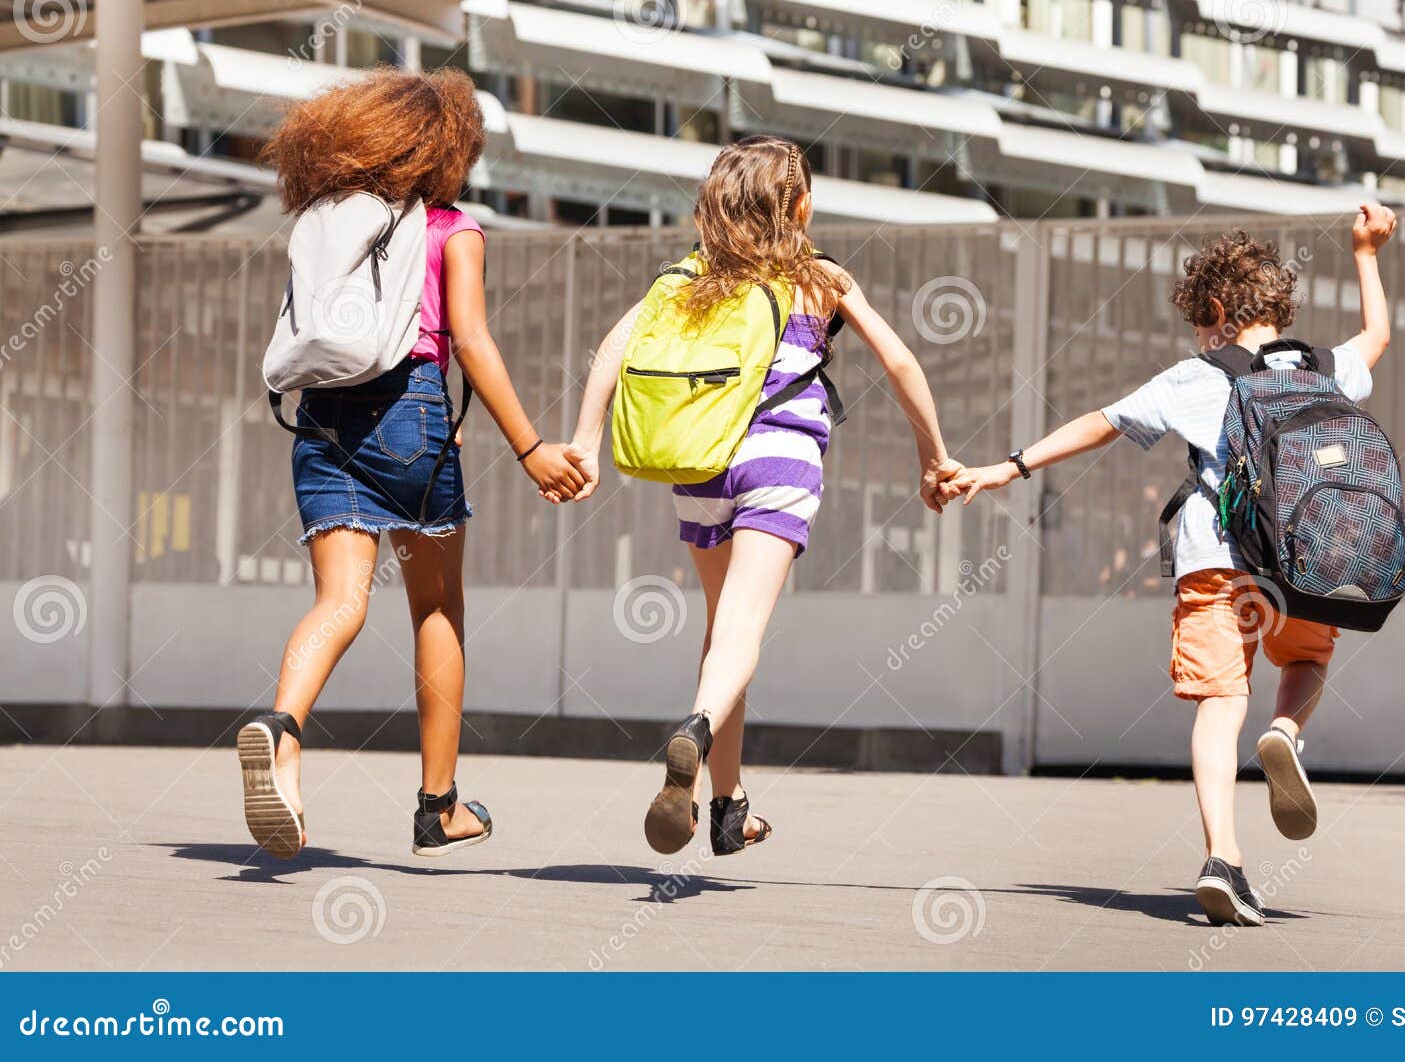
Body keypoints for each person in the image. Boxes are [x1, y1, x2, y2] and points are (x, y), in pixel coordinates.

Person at [949, 204, 1398, 925]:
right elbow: (1376, 335)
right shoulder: (1322, 368)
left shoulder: (1194, 375)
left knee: (1220, 706)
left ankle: (1224, 857)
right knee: (1305, 665)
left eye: (1197, 320)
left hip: (1215, 557)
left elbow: (1101, 422)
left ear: (1215, 311)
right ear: (1279, 310)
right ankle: (1285, 732)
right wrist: (1364, 250)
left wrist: (1011, 466)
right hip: (1302, 563)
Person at [564, 136, 963, 856]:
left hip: (700, 465)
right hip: (779, 458)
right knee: (743, 631)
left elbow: (612, 349)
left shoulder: (685, 278)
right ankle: (693, 728)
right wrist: (933, 453)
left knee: (723, 632)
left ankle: (728, 803)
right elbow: (899, 361)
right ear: (801, 205)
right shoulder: (819, 277)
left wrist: (586, 442)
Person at [237, 68, 586, 860]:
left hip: (321, 415)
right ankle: (438, 805)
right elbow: (471, 340)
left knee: (340, 601)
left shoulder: (332, 222)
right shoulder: (450, 229)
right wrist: (531, 447)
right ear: (445, 148)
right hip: (411, 416)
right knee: (435, 606)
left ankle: (283, 730)